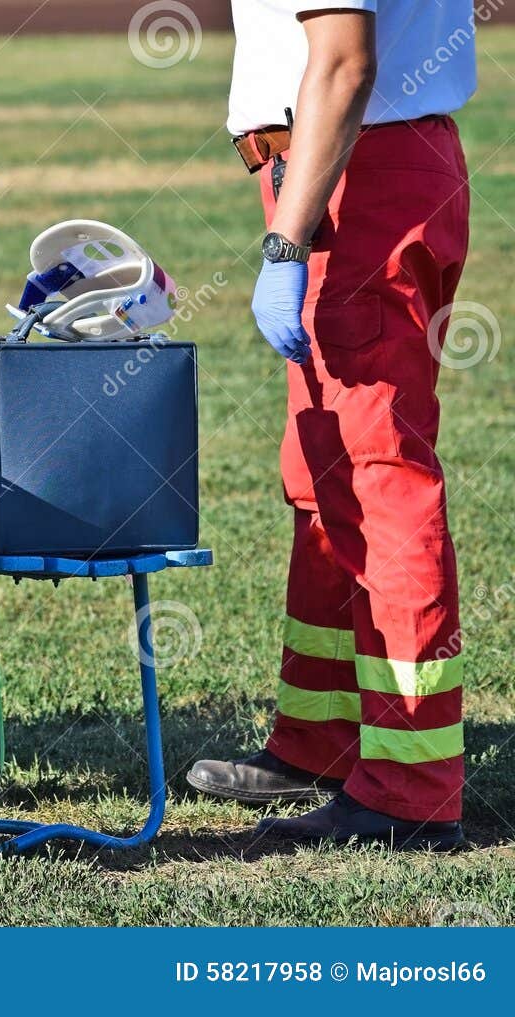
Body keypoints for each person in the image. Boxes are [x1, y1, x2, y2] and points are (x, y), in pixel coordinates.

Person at [187, 1, 475, 850]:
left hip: (355, 178)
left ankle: (410, 784)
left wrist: (285, 242)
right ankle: (322, 737)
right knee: (326, 479)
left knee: (379, 477)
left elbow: (345, 63)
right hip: (355, 167)